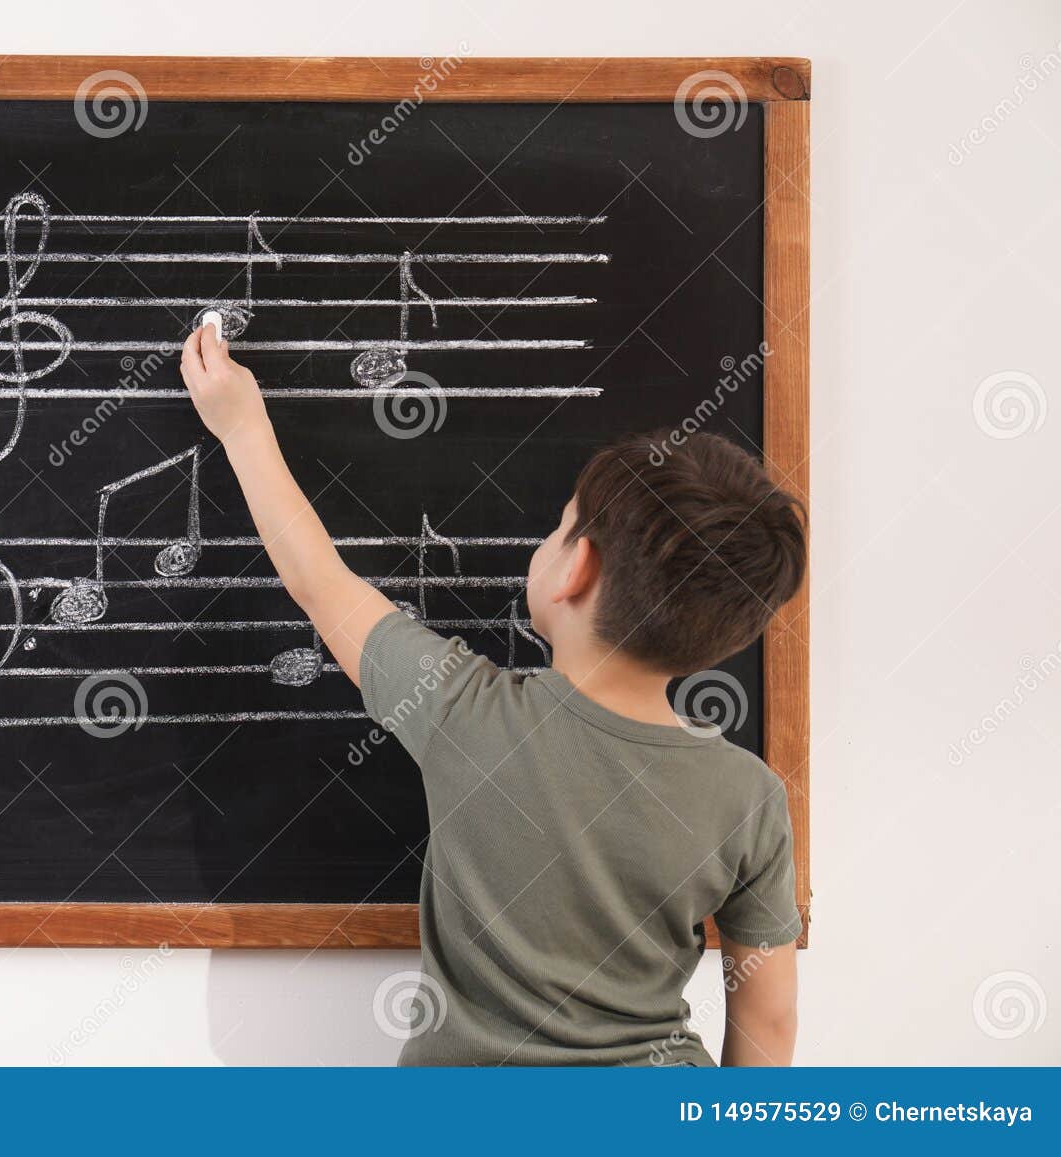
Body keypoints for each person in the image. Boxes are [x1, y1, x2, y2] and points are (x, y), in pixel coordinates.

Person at [179, 323, 807, 1066]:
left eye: (560, 526)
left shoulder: (463, 712)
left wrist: (241, 425)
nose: (547, 539)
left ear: (577, 571)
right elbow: (768, 1021)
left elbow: (322, 586)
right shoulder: (751, 796)